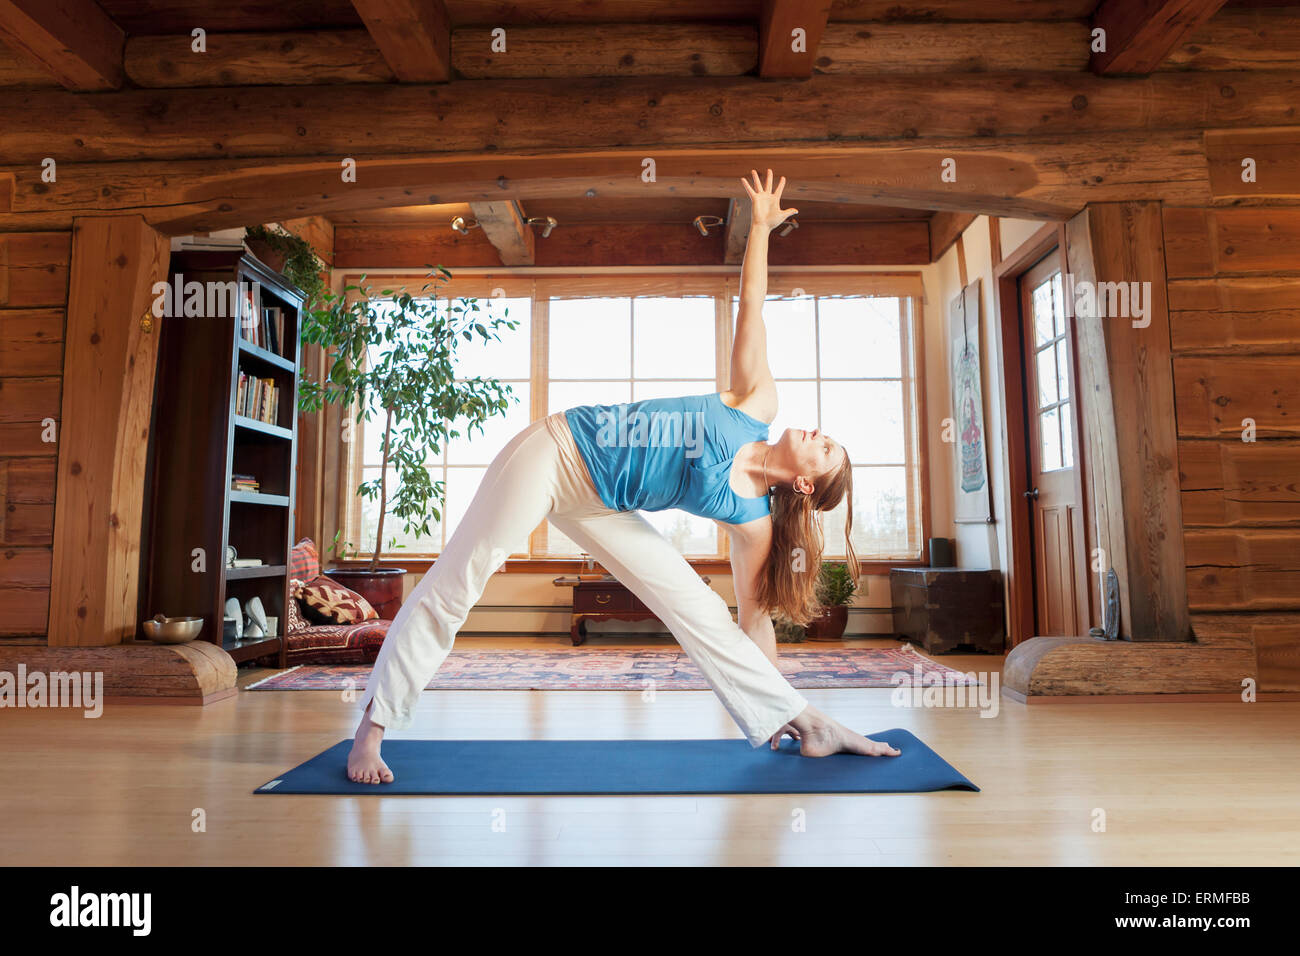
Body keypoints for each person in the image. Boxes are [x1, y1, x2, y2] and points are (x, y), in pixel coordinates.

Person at [347, 169, 901, 783]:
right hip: (558, 449)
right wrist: (763, 231)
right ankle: (371, 733)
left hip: (600, 503)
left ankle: (809, 723)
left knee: (700, 610)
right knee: (459, 579)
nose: (819, 435)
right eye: (826, 437)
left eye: (826, 452)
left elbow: (751, 621)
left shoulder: (753, 522)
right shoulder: (755, 404)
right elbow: (754, 308)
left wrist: (777, 703)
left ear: (804, 485)